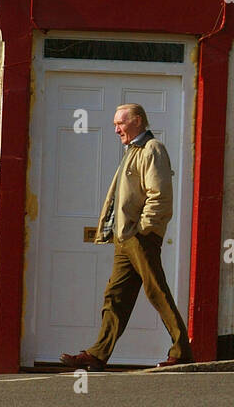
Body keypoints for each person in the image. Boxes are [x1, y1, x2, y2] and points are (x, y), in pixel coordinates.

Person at [61, 103, 193, 370]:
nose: (115, 128)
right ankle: (98, 354)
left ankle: (182, 351)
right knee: (116, 295)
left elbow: (159, 194)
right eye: (114, 124)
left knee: (156, 291)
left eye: (120, 123)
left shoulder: (152, 149)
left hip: (139, 235)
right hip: (125, 237)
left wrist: (144, 228)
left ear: (138, 121)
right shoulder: (132, 151)